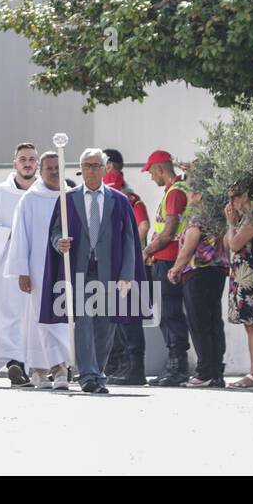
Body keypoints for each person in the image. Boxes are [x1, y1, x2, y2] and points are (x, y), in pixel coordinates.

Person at [42, 148, 143, 393]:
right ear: (80, 169)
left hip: (110, 271)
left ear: (104, 168)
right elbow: (55, 230)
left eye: (96, 165)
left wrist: (127, 275)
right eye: (86, 166)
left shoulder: (118, 200)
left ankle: (97, 372)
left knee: (106, 324)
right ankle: (87, 374)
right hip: (79, 270)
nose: (91, 170)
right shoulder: (68, 199)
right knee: (84, 320)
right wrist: (59, 242)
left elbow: (130, 239)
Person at [6, 151, 74, 389]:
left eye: (58, 168)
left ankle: (47, 368)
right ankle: (54, 369)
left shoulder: (72, 196)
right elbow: (20, 237)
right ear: (40, 171)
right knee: (43, 319)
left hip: (67, 269)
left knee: (64, 319)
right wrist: (22, 271)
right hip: (39, 269)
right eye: (49, 168)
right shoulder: (31, 199)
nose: (54, 172)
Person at [0, 142, 38, 385]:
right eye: (23, 159)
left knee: (34, 316)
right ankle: (15, 363)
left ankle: (39, 364)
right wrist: (13, 234)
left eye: (32, 159)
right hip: (5, 267)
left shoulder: (46, 192)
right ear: (15, 163)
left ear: (37, 163)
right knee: (8, 315)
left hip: (37, 267)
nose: (27, 163)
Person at [167, 184, 229, 388]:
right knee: (214, 322)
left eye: (192, 191)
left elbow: (189, 244)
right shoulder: (219, 217)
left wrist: (176, 268)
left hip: (197, 273)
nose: (189, 195)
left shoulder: (197, 218)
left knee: (199, 323)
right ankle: (216, 371)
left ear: (201, 195)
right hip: (217, 272)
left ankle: (204, 373)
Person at [102, 151, 151, 385]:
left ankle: (135, 368)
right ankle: (121, 366)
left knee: (129, 317)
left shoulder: (129, 197)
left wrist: (128, 250)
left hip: (127, 267)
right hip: (111, 267)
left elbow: (143, 225)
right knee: (117, 319)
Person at [142, 150, 191, 387]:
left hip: (168, 260)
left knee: (169, 313)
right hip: (167, 259)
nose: (151, 177)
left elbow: (169, 230)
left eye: (152, 172)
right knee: (168, 313)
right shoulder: (175, 191)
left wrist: (148, 250)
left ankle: (177, 365)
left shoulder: (174, 193)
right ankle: (175, 364)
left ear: (160, 169)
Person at [222, 180, 253, 388]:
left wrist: (232, 224)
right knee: (248, 323)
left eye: (234, 197)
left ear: (246, 196)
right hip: (244, 273)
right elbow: (228, 242)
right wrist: (233, 223)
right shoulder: (245, 218)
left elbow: (234, 244)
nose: (231, 202)